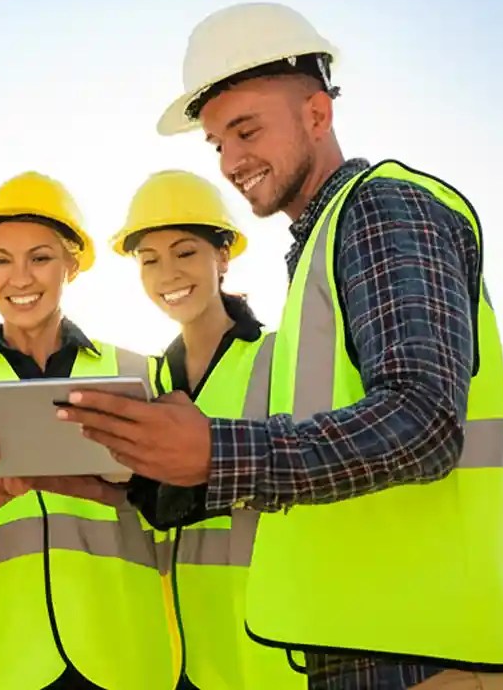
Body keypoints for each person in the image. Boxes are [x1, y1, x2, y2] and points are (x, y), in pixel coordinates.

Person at [60, 3, 503, 690]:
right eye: (217, 144)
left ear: (317, 116)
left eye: (247, 131)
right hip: (369, 639)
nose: (233, 162)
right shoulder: (322, 252)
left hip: (435, 651)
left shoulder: (383, 208)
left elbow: (424, 421)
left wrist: (214, 452)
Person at [0, 171, 179, 690]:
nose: (19, 278)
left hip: (120, 655)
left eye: (40, 258)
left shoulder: (136, 373)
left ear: (72, 264)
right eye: (0, 260)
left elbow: (180, 505)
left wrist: (130, 480)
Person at [111, 169, 306, 690]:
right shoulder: (141, 383)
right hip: (166, 659)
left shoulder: (278, 358)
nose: (167, 273)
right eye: (148, 260)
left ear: (222, 257)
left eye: (185, 252)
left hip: (266, 653)